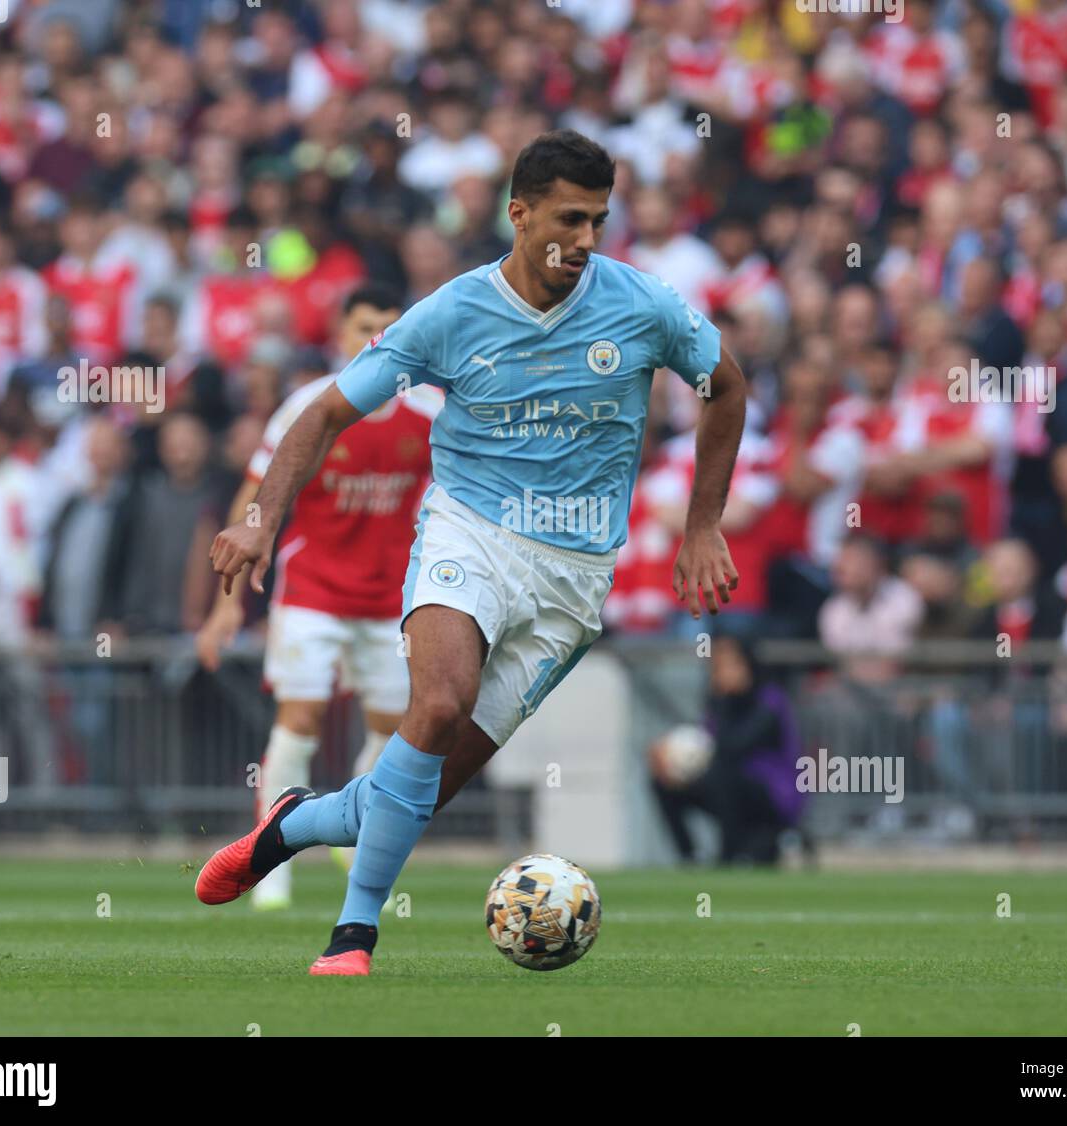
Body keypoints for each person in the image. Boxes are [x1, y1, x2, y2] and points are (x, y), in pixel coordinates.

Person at [198, 129, 746, 975]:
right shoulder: (452, 313)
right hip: (471, 533)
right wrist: (264, 518)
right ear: (519, 215)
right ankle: (355, 933)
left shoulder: (642, 305)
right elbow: (324, 413)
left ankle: (293, 823)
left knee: (414, 792)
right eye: (571, 219)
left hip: (575, 577)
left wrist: (702, 522)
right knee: (440, 703)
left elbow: (727, 383)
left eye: (600, 220)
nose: (587, 241)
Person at [194, 284, 437, 909]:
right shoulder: (309, 406)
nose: (375, 340)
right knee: (299, 720)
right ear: (340, 334)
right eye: (363, 327)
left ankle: (350, 831)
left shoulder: (429, 410)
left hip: (391, 598)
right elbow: (256, 491)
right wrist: (226, 604)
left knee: (391, 729)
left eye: (388, 326)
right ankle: (270, 865)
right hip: (312, 590)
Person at [650, 634, 806, 865]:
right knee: (664, 782)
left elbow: (731, 746)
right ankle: (689, 857)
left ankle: (727, 856)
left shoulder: (769, 700)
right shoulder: (718, 701)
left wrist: (723, 699)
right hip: (727, 786)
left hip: (772, 792)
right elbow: (705, 741)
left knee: (722, 774)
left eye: (731, 663)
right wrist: (668, 754)